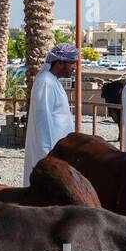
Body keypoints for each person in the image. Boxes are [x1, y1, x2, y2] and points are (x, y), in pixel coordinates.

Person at [23, 43, 77, 183]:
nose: (74, 68)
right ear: (59, 62)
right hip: (50, 157)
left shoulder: (53, 82)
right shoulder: (46, 82)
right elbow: (43, 125)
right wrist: (48, 160)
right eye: (72, 63)